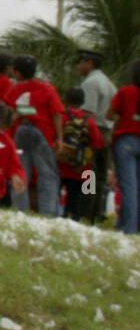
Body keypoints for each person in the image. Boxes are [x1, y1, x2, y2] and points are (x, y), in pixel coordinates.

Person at [3, 54, 65, 216]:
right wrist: (59, 138)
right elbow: (57, 114)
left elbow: (10, 113)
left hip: (21, 131)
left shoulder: (14, 89)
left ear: (17, 73)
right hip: (42, 132)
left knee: (21, 171)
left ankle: (19, 210)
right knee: (47, 174)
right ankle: (48, 212)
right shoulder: (46, 88)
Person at [76, 50, 117, 223]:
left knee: (88, 173)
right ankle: (97, 212)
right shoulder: (108, 83)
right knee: (100, 176)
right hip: (107, 132)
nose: (79, 66)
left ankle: (86, 213)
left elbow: (87, 114)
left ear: (89, 63)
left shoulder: (90, 82)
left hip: (94, 132)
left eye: (81, 62)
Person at [58, 88, 106, 221]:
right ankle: (75, 218)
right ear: (83, 102)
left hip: (61, 166)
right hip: (81, 169)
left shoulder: (62, 117)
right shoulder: (89, 121)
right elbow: (98, 144)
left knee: (58, 192)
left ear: (66, 100)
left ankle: (57, 215)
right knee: (76, 196)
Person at [106, 59, 140, 234]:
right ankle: (129, 225)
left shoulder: (125, 91)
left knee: (129, 187)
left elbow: (109, 115)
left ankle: (129, 229)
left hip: (126, 141)